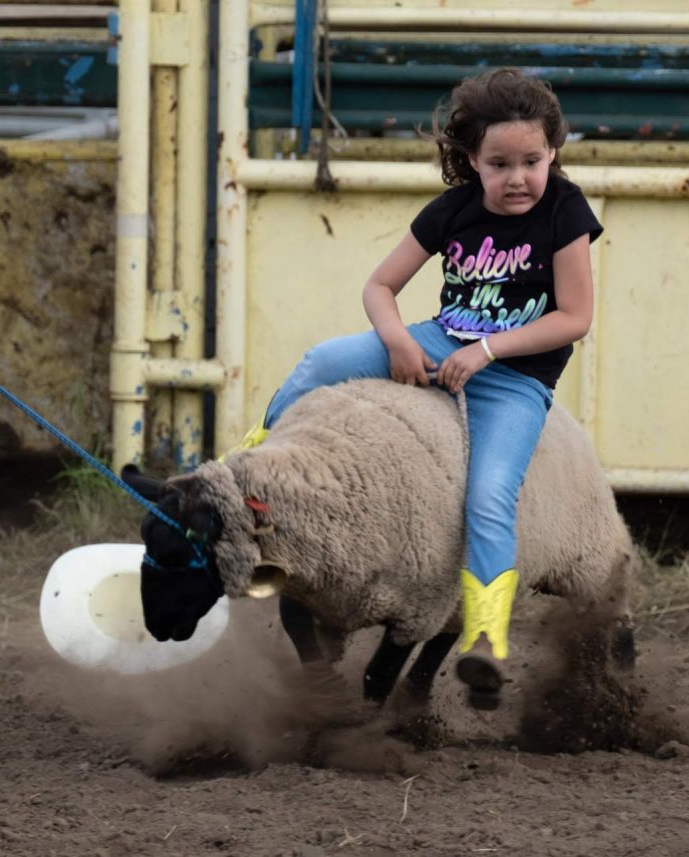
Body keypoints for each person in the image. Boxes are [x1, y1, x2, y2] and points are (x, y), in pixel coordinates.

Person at [236, 68, 601, 704]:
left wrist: (488, 351)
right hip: (438, 341)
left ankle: (485, 637)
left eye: (533, 161)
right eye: (500, 163)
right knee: (322, 360)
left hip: (513, 377)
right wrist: (400, 340)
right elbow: (379, 287)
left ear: (554, 153)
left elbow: (575, 317)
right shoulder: (449, 212)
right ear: (470, 161)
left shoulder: (564, 211)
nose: (518, 178)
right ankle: (251, 470)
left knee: (490, 494)